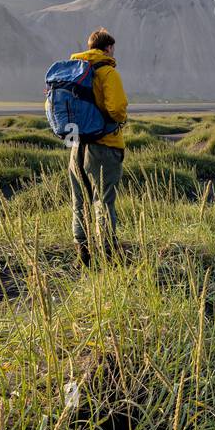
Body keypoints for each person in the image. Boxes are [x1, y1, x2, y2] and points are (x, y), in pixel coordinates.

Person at [68, 28, 127, 264]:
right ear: (108, 48)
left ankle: (83, 253)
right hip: (103, 147)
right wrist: (119, 119)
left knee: (79, 201)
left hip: (77, 147)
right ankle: (107, 256)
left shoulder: (74, 72)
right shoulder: (107, 72)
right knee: (103, 201)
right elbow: (117, 108)